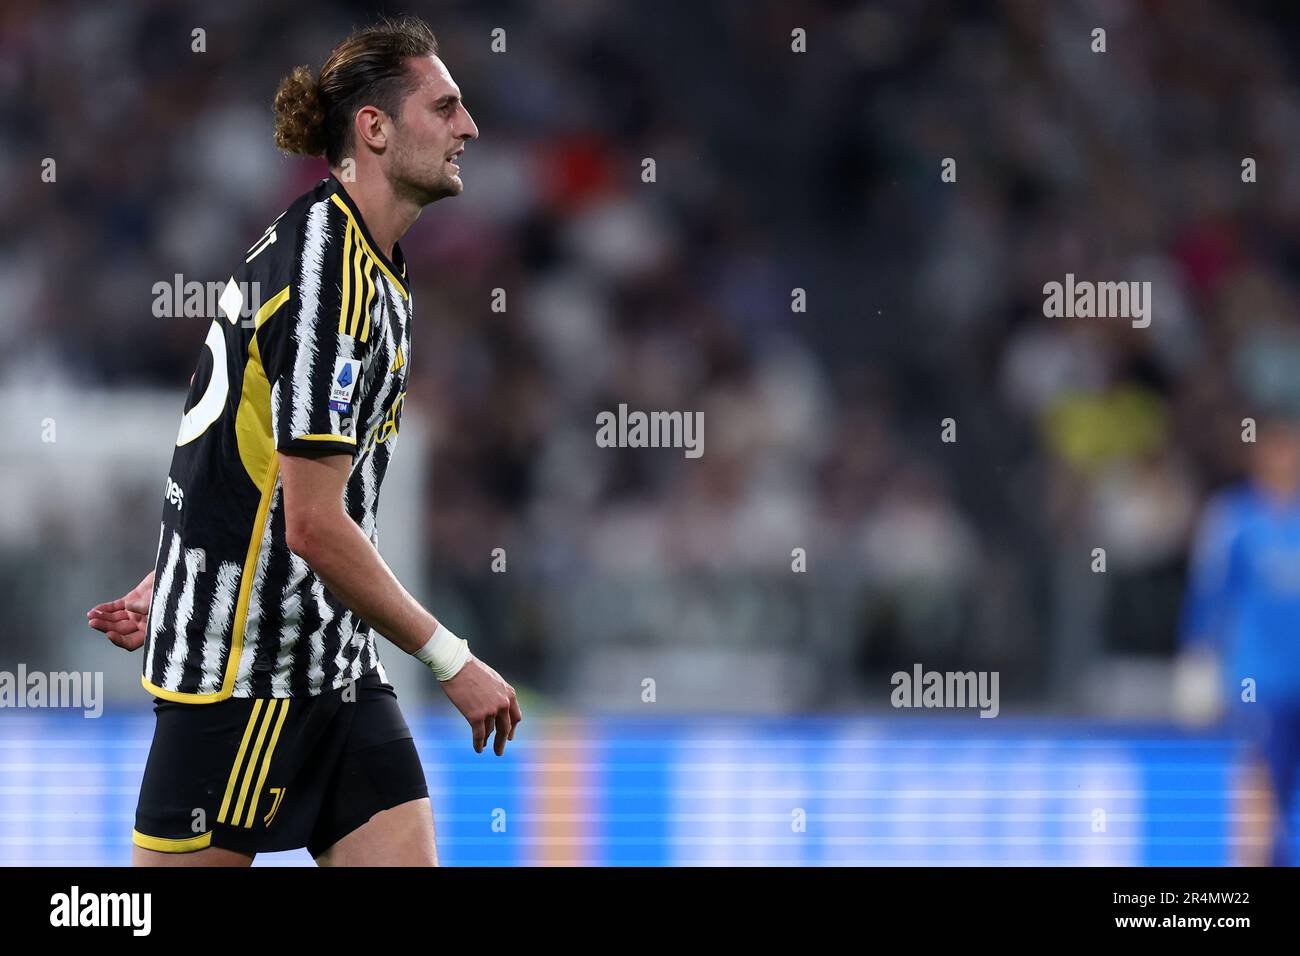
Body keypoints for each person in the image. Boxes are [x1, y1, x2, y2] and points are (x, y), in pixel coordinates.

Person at [85, 14, 521, 867]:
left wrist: (173, 574)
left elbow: (240, 450)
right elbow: (313, 525)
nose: (469, 128)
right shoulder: (330, 278)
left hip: (330, 664)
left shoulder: (347, 248)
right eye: (447, 107)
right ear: (376, 127)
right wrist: (451, 659)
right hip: (246, 681)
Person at [1179, 414, 1300, 866]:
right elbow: (1209, 593)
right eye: (1277, 448)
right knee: (1259, 783)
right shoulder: (1234, 518)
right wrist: (1197, 657)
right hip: (1260, 680)